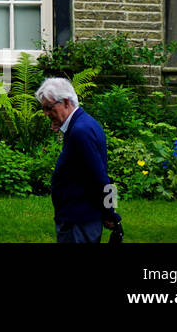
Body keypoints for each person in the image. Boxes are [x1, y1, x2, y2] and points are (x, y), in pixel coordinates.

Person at [36, 76, 116, 243]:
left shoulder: (81, 131)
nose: (46, 114)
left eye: (49, 108)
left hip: (79, 221)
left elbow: (101, 177)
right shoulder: (84, 123)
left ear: (66, 102)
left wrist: (111, 213)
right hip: (78, 218)